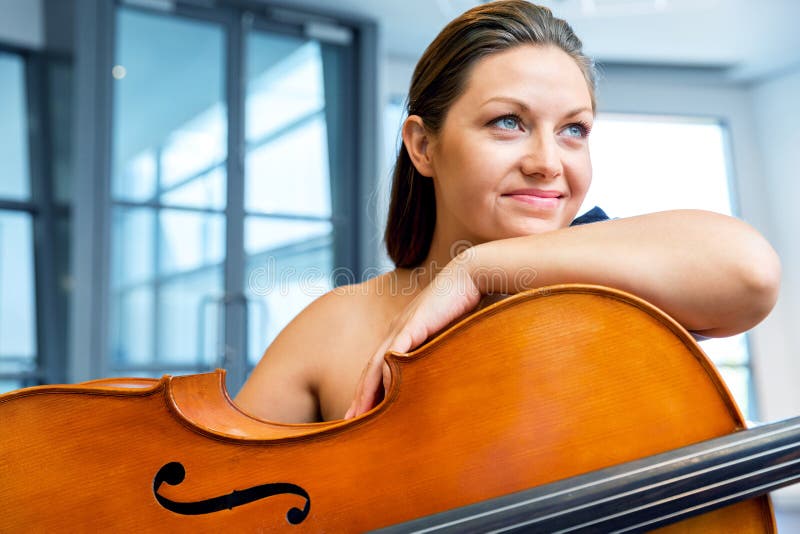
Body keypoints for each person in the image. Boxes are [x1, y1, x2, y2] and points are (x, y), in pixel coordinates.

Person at [234, 0, 780, 423]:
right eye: (508, 122)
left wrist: (476, 269)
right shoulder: (335, 326)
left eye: (573, 130)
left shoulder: (619, 296)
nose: (547, 163)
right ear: (423, 146)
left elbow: (750, 272)